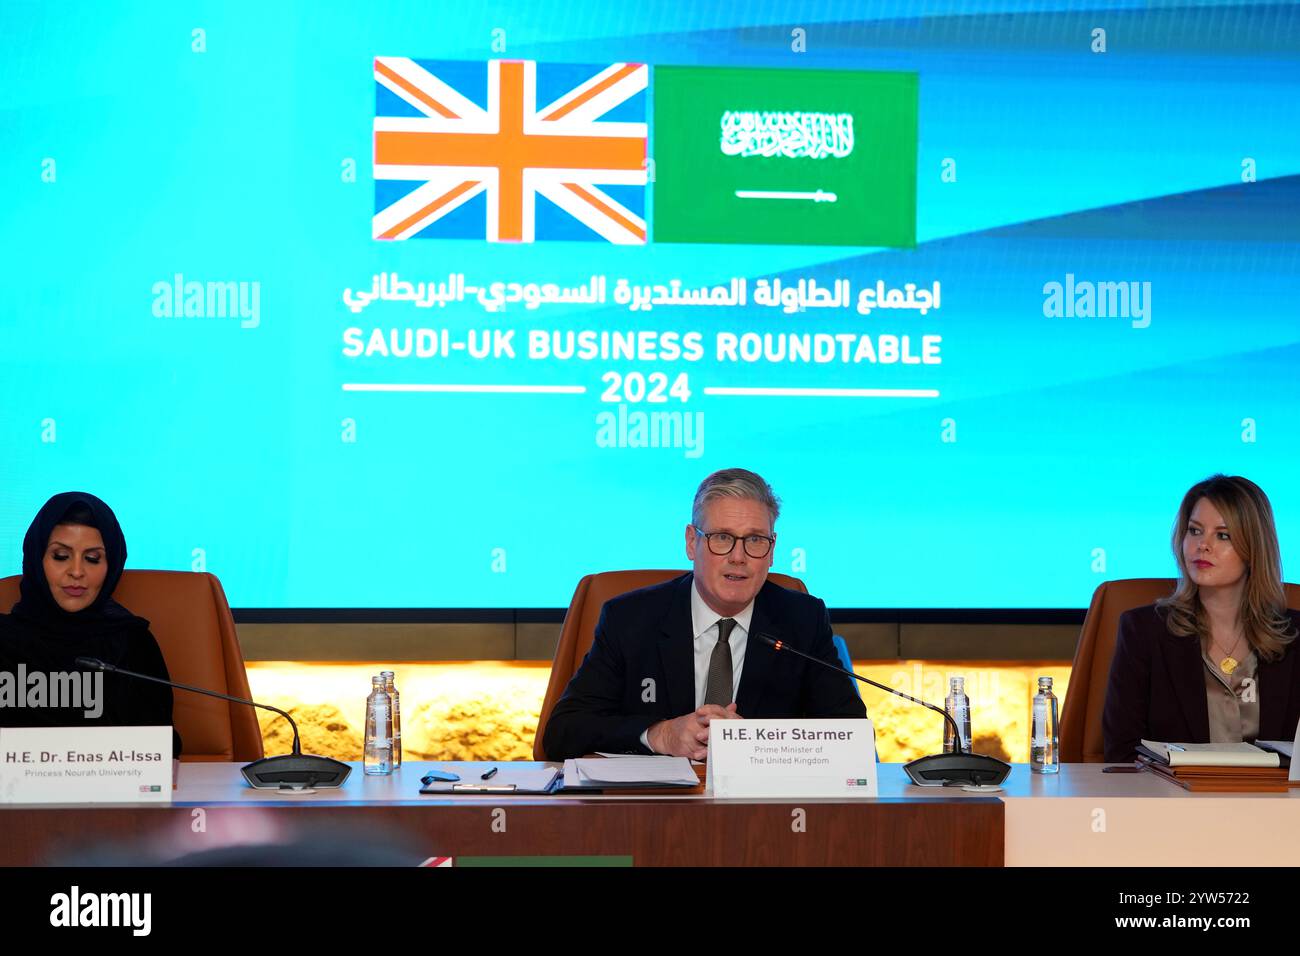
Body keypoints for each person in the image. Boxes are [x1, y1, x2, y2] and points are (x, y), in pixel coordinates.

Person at [542, 468, 865, 760]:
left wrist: (757, 742)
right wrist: (660, 734)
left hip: (763, 811)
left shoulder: (801, 620)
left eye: (755, 540)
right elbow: (563, 732)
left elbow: (852, 737)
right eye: (722, 538)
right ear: (691, 542)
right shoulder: (631, 617)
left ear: (772, 550)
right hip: (653, 812)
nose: (738, 557)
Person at [1103, 475, 1300, 762]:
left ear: (1254, 548)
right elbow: (1122, 751)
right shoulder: (1143, 632)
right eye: (1195, 531)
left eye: (1223, 535)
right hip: (1173, 802)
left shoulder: (1295, 636)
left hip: (1276, 803)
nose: (1202, 545)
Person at [0, 492, 181, 755]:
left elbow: (161, 746)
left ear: (112, 564)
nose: (76, 571)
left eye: (93, 558)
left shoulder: (132, 641)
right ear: (37, 559)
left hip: (119, 794)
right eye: (60, 556)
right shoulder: (4, 642)